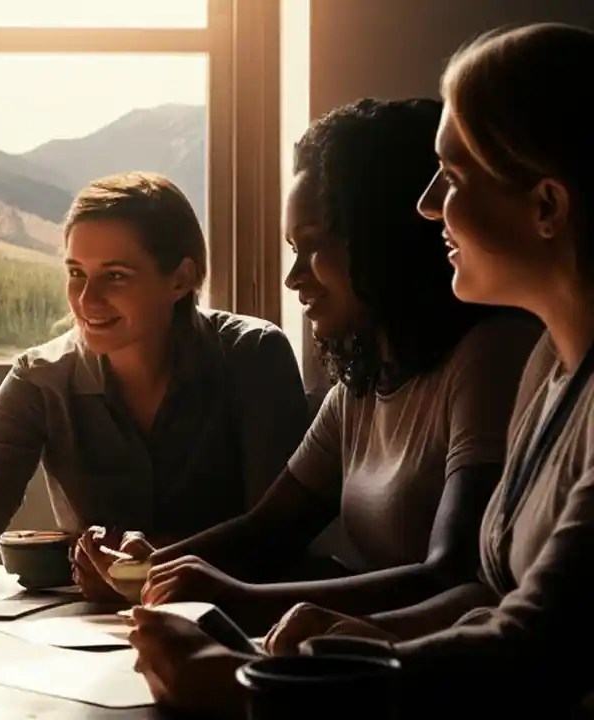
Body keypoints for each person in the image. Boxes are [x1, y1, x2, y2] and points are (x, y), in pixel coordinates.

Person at [131, 23, 594, 718]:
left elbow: (540, 648)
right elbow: (487, 595)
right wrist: (363, 643)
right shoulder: (547, 370)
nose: (428, 204)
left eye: (454, 176)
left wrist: (250, 686)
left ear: (547, 206)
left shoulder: (504, 362)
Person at [90, 99, 540, 633]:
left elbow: (453, 575)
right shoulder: (359, 387)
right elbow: (269, 528)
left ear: (383, 240)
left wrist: (241, 599)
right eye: (290, 249)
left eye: (313, 246)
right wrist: (148, 570)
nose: (294, 277)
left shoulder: (491, 357)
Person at [0, 171, 309, 602]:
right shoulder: (40, 377)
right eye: (77, 273)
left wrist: (147, 568)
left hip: (238, 622)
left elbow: (278, 533)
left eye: (115, 276)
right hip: (91, 632)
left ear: (180, 279)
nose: (86, 299)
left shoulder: (253, 357)